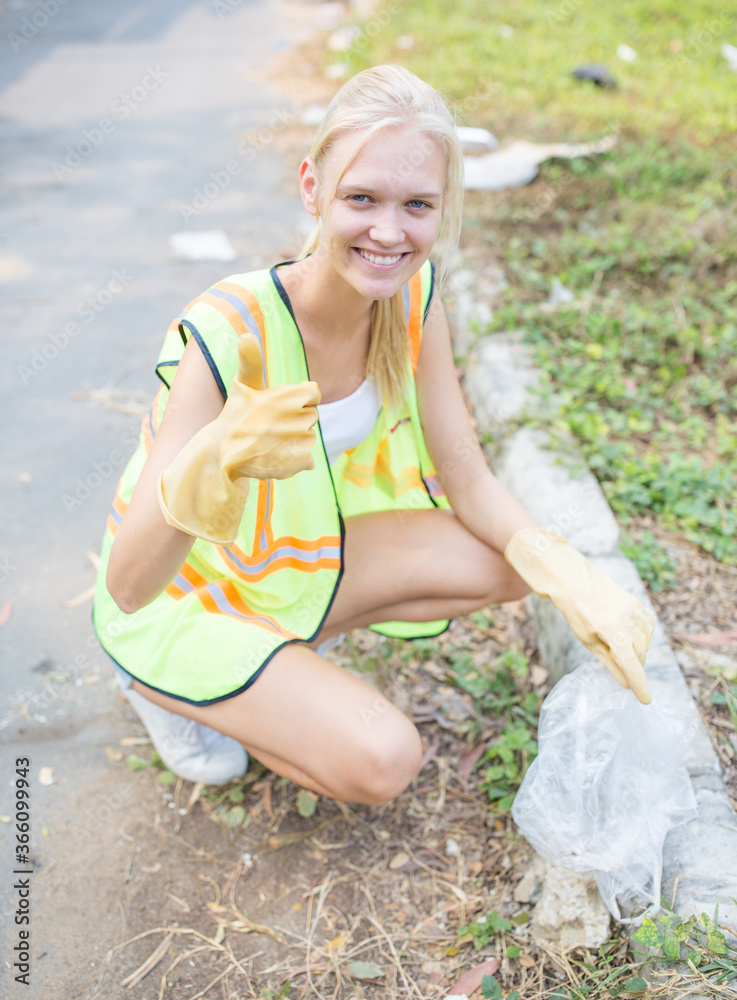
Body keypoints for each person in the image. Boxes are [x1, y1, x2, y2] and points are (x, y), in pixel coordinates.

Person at [94, 64, 655, 801]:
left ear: (441, 207)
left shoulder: (413, 299)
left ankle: (277, 663)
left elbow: (469, 476)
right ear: (311, 189)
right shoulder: (229, 331)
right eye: (361, 198)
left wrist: (572, 574)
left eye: (416, 204)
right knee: (385, 759)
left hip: (289, 566)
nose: (389, 232)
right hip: (184, 595)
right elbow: (130, 587)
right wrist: (212, 464)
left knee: (513, 562)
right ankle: (169, 689)